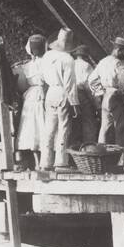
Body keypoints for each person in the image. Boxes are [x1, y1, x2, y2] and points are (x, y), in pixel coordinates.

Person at [40, 28, 80, 169]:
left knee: (49, 128)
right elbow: (70, 84)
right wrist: (74, 103)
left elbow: (43, 77)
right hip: (62, 93)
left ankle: (45, 161)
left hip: (51, 91)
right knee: (63, 127)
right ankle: (61, 161)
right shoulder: (68, 59)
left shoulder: (47, 56)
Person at [89, 36, 124, 156]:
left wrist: (100, 92)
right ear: (119, 50)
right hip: (116, 95)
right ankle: (122, 159)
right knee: (121, 128)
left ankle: (100, 156)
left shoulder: (103, 61)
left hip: (106, 95)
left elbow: (92, 79)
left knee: (105, 128)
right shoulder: (118, 63)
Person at [14, 34, 48, 170]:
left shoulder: (27, 66)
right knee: (42, 125)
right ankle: (43, 161)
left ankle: (36, 161)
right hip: (42, 93)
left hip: (31, 96)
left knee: (31, 127)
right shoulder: (46, 63)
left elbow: (22, 85)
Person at [71, 46, 99, 145]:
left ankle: (74, 146)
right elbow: (89, 84)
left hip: (71, 93)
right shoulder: (87, 66)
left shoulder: (71, 63)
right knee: (89, 120)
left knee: (74, 122)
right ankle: (88, 145)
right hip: (82, 93)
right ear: (86, 55)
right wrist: (94, 101)